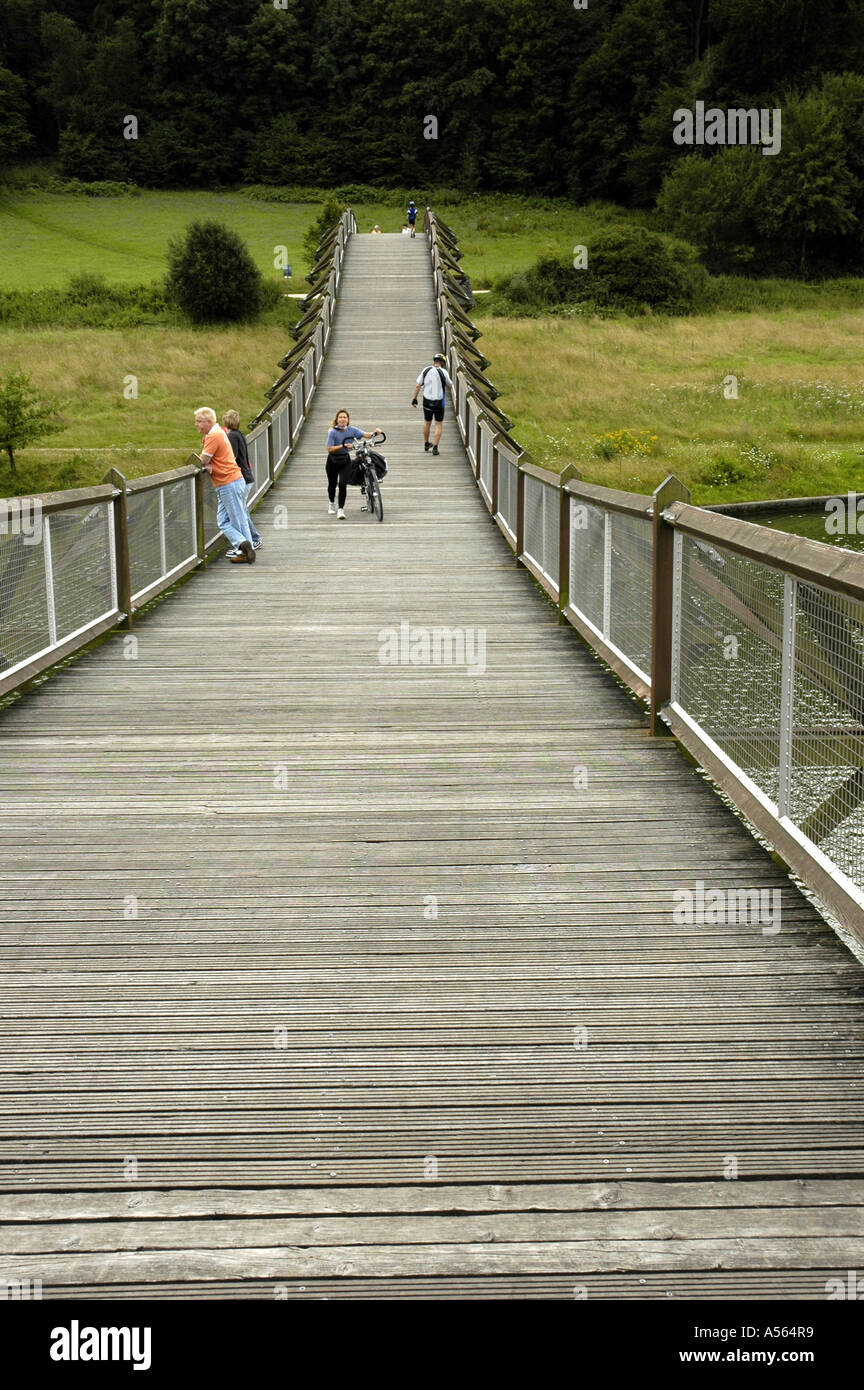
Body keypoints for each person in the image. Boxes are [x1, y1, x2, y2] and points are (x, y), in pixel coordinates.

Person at [193, 406, 256, 564]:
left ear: (208, 422)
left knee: (236, 520)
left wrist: (206, 465)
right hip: (229, 482)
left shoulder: (213, 435)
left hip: (229, 483)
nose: (196, 425)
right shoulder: (218, 433)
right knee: (224, 521)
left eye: (199, 421)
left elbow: (203, 460)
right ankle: (245, 547)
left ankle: (245, 549)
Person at [325, 409, 381, 519]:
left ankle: (340, 509)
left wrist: (375, 432)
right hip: (332, 461)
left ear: (348, 420)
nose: (342, 419)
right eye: (340, 417)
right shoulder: (332, 432)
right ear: (337, 419)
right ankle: (331, 503)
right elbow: (329, 449)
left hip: (345, 461)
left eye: (345, 417)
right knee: (332, 484)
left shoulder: (352, 430)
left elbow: (367, 435)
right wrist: (343, 446)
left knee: (342, 484)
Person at [221, 409, 262, 555]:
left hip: (241, 478)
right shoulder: (239, 435)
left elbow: (231, 456)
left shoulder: (232, 436)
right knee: (242, 510)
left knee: (239, 513)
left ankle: (247, 543)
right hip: (246, 476)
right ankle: (252, 540)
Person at [411, 352, 453, 455]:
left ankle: (426, 443)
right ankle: (435, 447)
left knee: (427, 422)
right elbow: (450, 385)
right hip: (439, 402)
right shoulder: (443, 372)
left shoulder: (426, 370)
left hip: (427, 401)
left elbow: (418, 385)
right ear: (442, 362)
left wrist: (414, 398)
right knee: (438, 424)